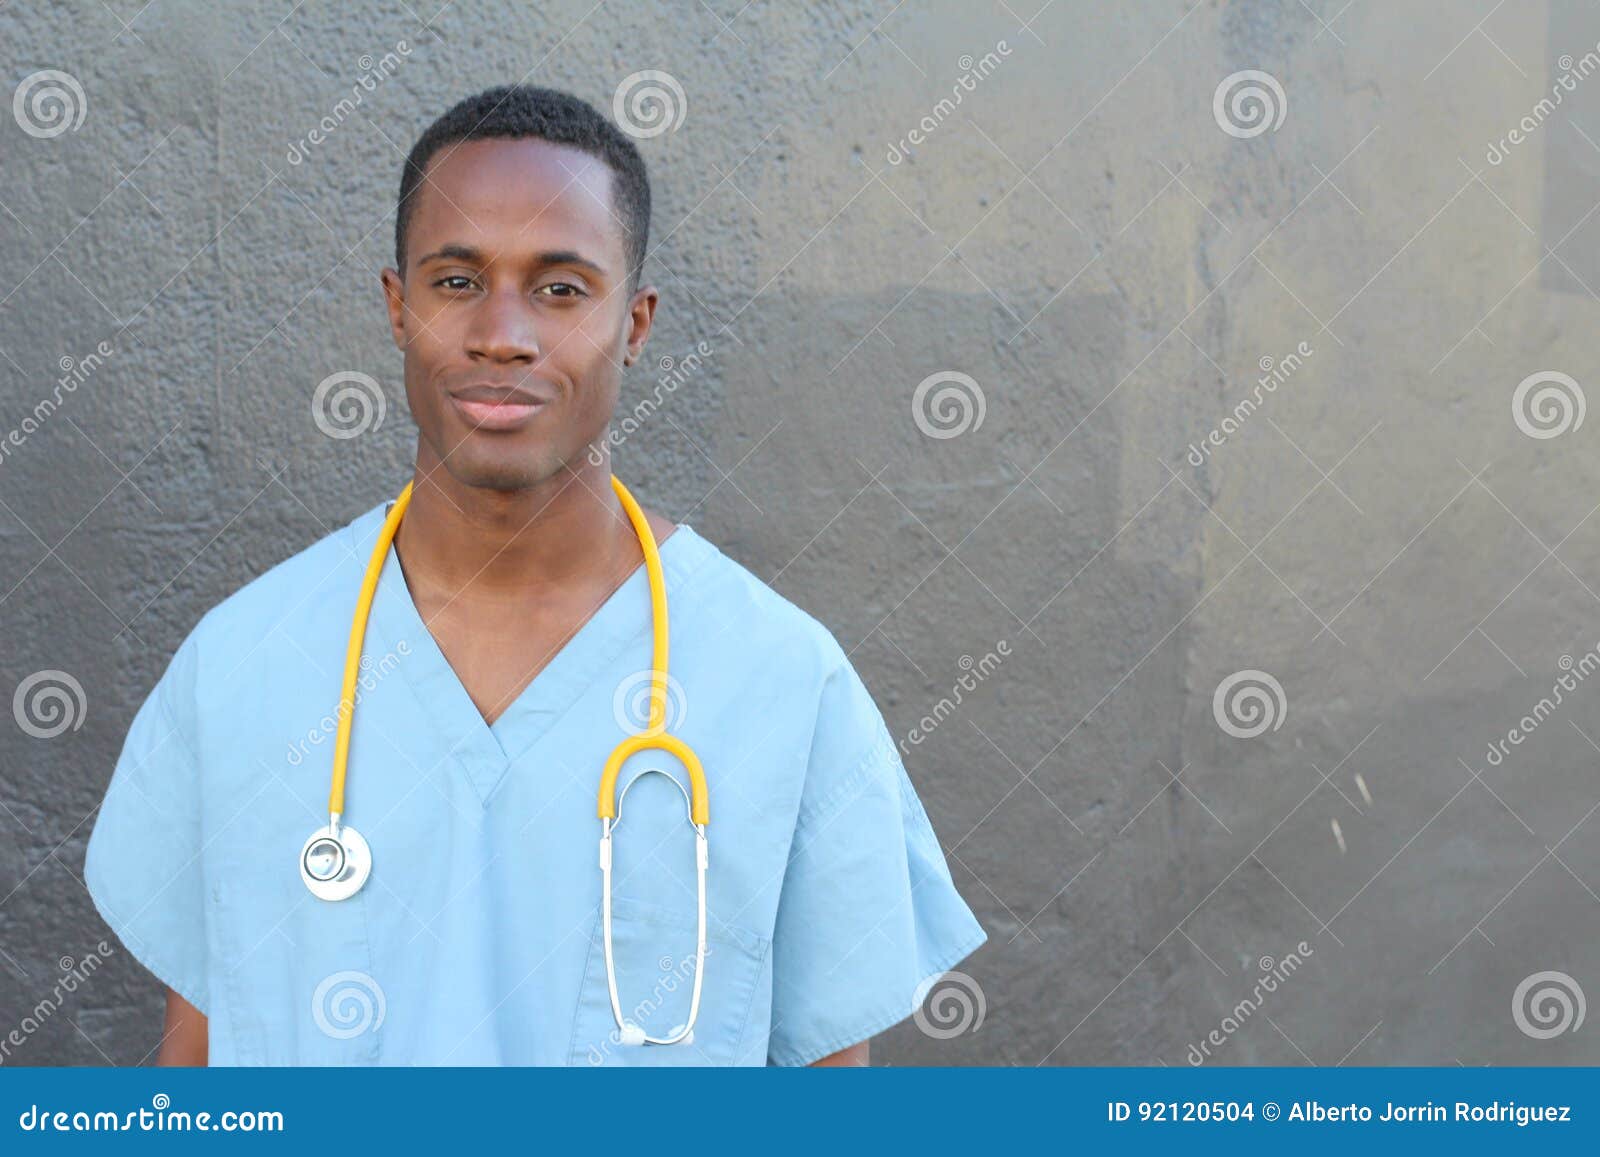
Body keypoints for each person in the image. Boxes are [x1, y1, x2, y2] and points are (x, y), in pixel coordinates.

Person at [83, 83, 986, 1066]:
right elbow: (196, 1070)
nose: (502, 332)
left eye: (560, 288)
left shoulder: (781, 683)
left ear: (635, 325)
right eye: (457, 281)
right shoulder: (245, 666)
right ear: (397, 307)